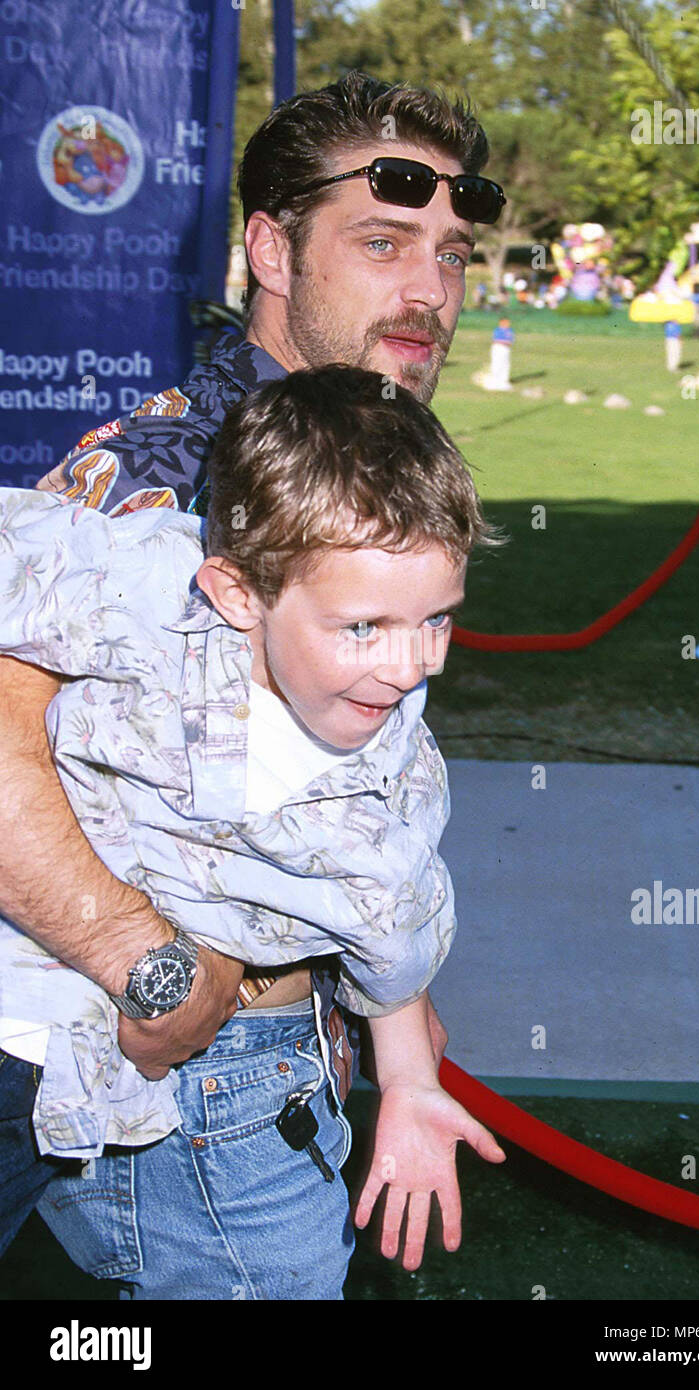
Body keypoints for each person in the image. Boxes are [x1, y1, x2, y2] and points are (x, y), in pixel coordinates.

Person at [0, 69, 507, 1257]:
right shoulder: (173, 469)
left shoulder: (369, 456)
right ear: (272, 250)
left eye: (451, 254)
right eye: (384, 241)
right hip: (160, 1069)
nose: (430, 289)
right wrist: (149, 964)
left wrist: (402, 1039)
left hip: (276, 1060)